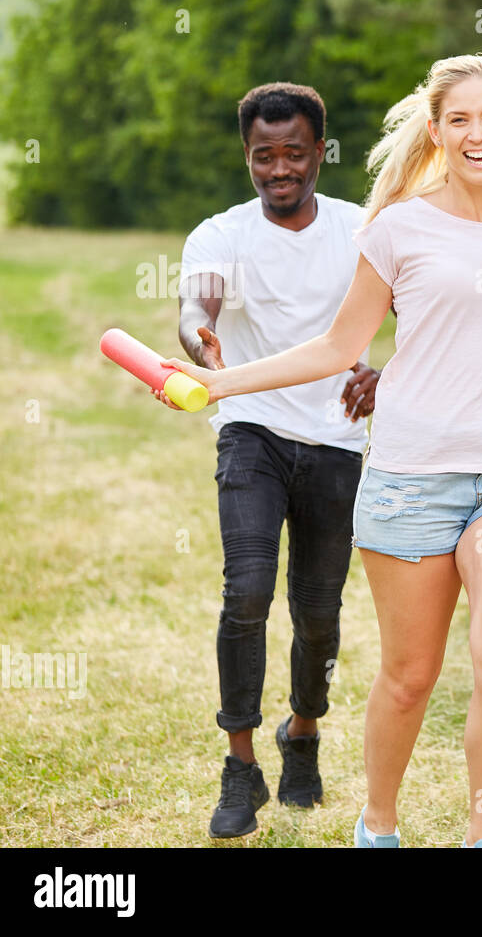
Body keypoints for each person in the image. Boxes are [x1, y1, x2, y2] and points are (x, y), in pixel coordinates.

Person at [159, 55, 482, 848]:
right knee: (411, 677)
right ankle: (378, 823)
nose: (477, 134)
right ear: (438, 133)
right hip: (412, 475)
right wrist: (224, 382)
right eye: (460, 121)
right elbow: (340, 345)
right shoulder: (398, 228)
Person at [158, 82, 381, 839]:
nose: (279, 169)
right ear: (246, 156)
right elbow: (199, 302)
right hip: (249, 426)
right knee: (246, 590)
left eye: (293, 153)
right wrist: (199, 337)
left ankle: (304, 733)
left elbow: (422, 317)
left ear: (321, 151)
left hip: (337, 442)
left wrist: (385, 374)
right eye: (263, 156)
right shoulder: (221, 233)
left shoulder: (361, 229)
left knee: (319, 612)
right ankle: (240, 766)